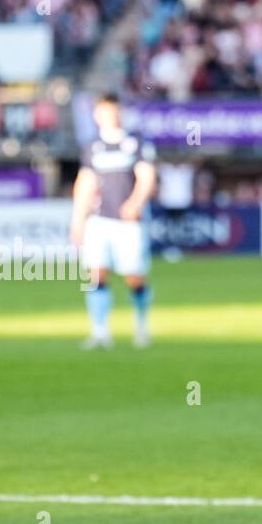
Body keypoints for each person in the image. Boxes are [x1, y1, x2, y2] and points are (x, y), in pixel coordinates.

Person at [70, 93, 157, 349]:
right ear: (97, 116)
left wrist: (136, 202)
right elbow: (85, 183)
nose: (110, 116)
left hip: (129, 223)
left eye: (114, 111)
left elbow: (147, 176)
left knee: (134, 276)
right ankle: (100, 331)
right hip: (99, 220)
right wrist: (78, 219)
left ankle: (141, 324)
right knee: (95, 274)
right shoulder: (92, 146)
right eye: (105, 112)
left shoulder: (136, 143)